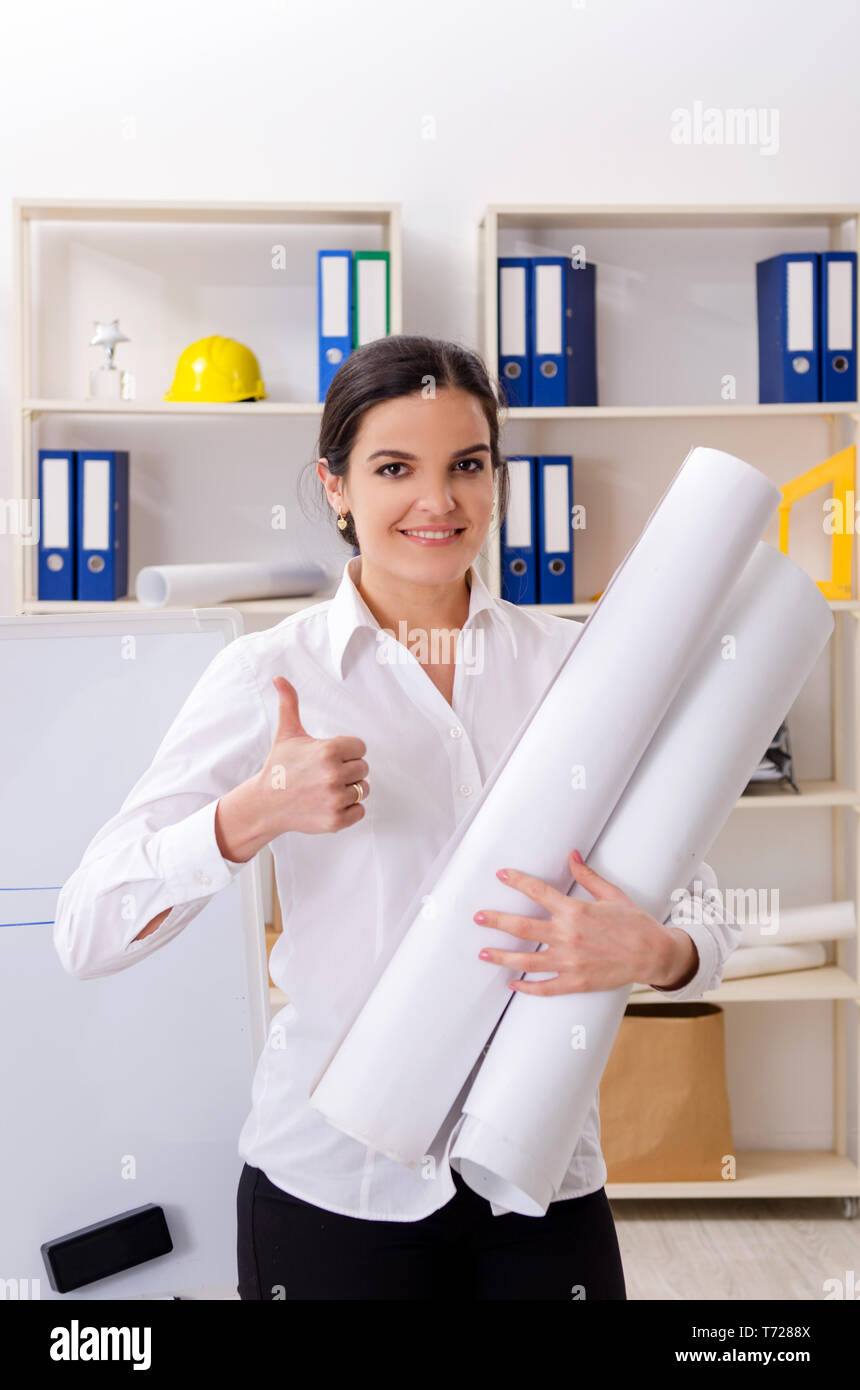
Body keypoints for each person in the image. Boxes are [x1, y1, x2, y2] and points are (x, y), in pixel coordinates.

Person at [54, 334, 740, 1301]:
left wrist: (657, 952)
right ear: (335, 487)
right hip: (334, 1188)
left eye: (467, 466)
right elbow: (87, 929)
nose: (439, 502)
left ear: (498, 478)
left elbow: (706, 899)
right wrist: (249, 817)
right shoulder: (270, 675)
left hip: (536, 1180)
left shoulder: (577, 668)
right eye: (393, 469)